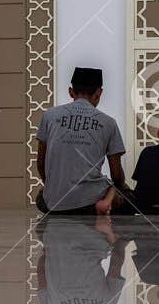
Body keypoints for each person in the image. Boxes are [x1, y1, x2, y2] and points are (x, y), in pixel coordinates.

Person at [34, 213, 128, 304]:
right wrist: (51, 247)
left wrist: (121, 241)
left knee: (116, 239)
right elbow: (41, 270)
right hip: (55, 227)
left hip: (92, 227)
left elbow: (116, 261)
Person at [35, 67, 128, 215]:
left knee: (41, 196)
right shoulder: (109, 123)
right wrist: (121, 189)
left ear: (71, 92)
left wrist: (52, 188)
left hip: (52, 204)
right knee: (129, 197)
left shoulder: (49, 116)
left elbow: (40, 163)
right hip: (90, 203)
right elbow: (116, 175)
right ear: (99, 93)